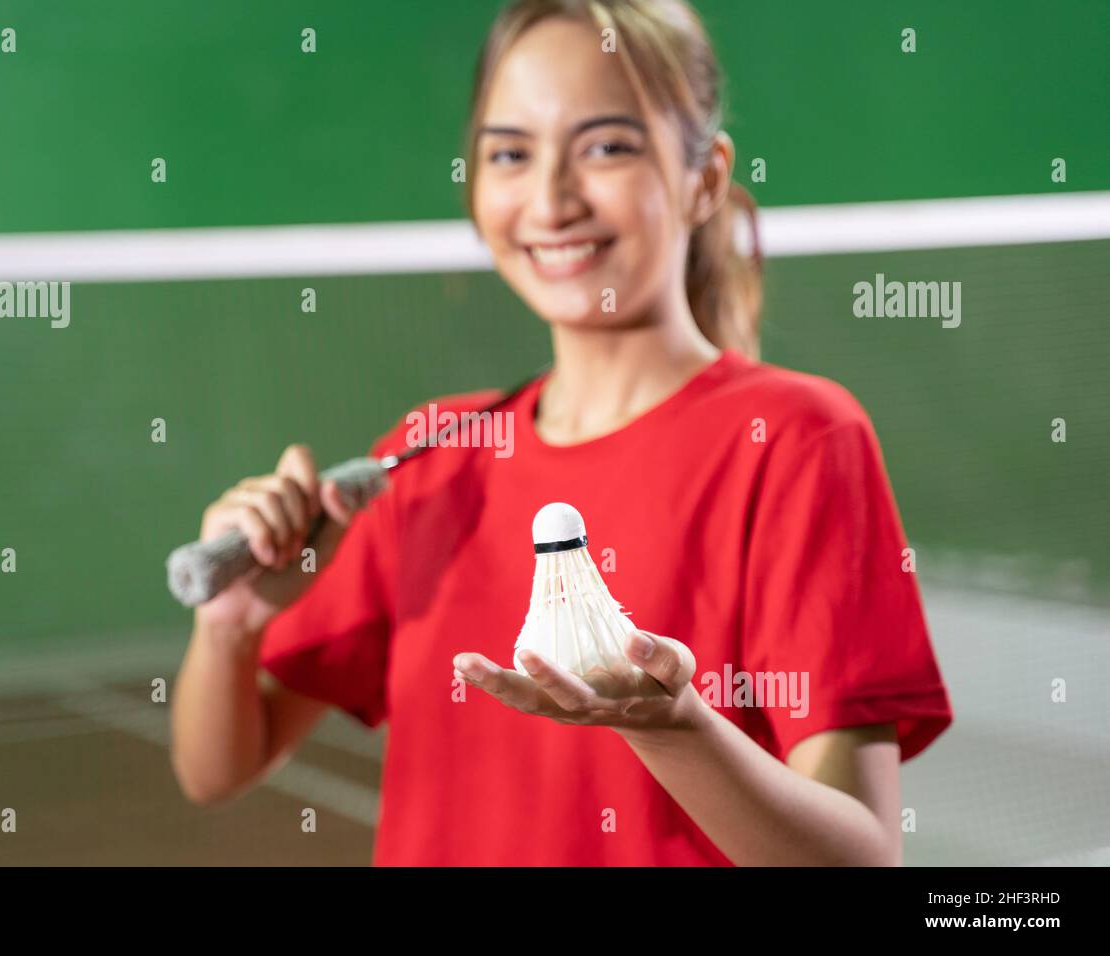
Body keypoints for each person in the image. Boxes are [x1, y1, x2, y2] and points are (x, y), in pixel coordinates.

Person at [170, 0, 952, 866]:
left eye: (607, 146)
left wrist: (676, 728)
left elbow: (864, 858)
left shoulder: (798, 439)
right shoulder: (430, 453)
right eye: (510, 153)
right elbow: (217, 770)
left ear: (704, 179)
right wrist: (231, 626)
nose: (551, 199)